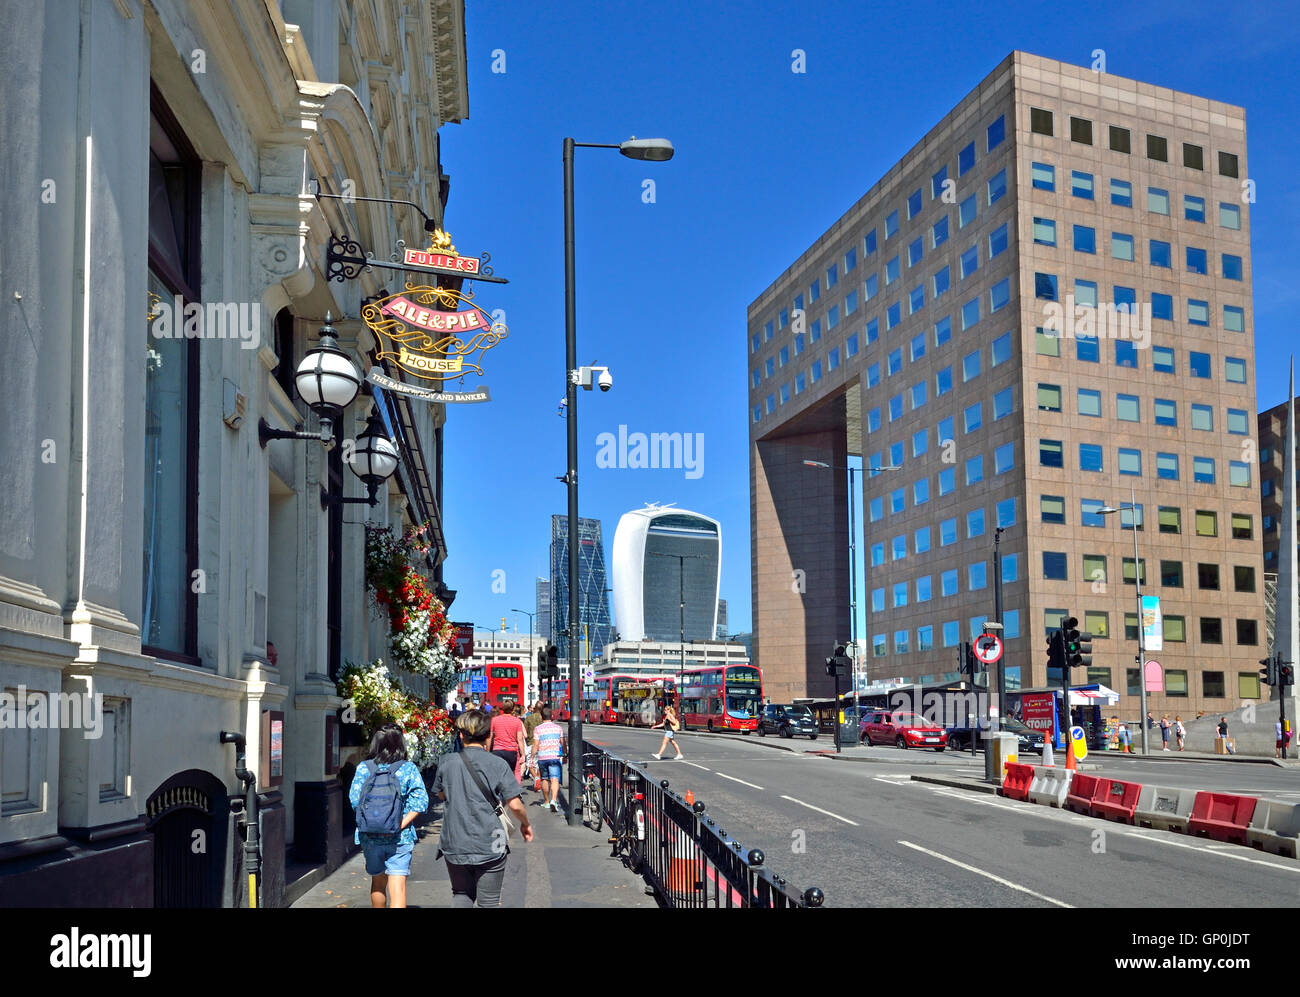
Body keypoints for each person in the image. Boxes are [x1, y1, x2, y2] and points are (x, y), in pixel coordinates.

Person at [431, 709, 533, 908]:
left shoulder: (446, 762)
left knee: (461, 894)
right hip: (491, 841)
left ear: (461, 735)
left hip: (455, 839)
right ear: (488, 736)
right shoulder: (498, 764)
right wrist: (525, 824)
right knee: (489, 902)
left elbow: (441, 794)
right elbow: (514, 805)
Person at [348, 722, 428, 908]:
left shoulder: (363, 768)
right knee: (397, 887)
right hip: (401, 836)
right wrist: (399, 824)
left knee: (378, 882)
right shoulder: (408, 768)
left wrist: (374, 820)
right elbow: (420, 801)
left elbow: (355, 801)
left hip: (370, 835)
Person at [530, 706, 567, 812]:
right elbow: (563, 743)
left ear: (542, 717)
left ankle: (546, 801)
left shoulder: (538, 729)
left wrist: (532, 757)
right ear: (552, 716)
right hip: (555, 757)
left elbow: (535, 745)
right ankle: (554, 801)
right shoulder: (558, 728)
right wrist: (565, 755)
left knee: (544, 779)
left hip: (542, 757)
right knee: (554, 779)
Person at [490, 700, 528, 783]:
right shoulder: (517, 721)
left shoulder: (494, 720)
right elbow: (520, 739)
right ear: (513, 708)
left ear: (502, 708)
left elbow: (490, 736)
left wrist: (488, 750)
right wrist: (523, 754)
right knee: (516, 771)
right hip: (512, 750)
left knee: (498, 773)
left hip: (498, 750)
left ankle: (499, 792)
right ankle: (516, 792)